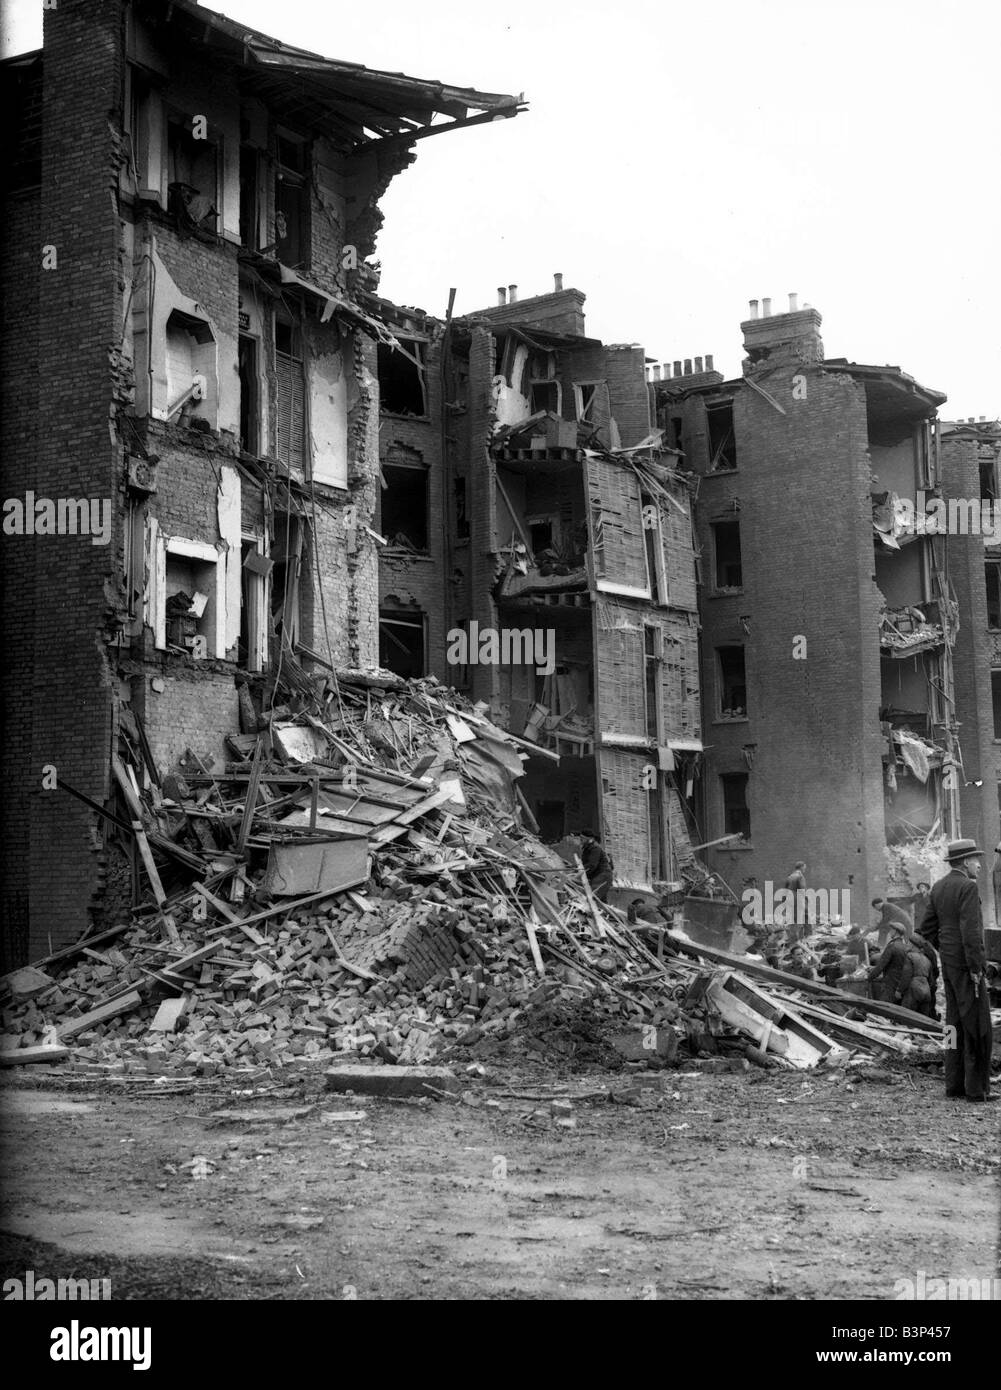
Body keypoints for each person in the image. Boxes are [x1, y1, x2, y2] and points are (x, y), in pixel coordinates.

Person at [919, 839, 994, 1103]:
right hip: (967, 968)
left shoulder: (938, 888)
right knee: (978, 1026)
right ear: (964, 862)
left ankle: (953, 1085)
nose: (979, 866)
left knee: (952, 1025)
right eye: (976, 860)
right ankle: (976, 1090)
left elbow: (925, 930)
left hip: (950, 967)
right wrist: (975, 966)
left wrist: (947, 952)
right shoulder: (967, 888)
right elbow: (971, 933)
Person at [867, 920, 910, 1003]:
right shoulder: (905, 947)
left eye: (891, 930)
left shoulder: (892, 946)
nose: (890, 932)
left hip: (890, 984)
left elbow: (881, 966)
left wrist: (869, 977)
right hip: (900, 985)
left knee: (884, 1008)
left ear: (896, 931)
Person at [896, 937, 933, 1015]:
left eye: (909, 944)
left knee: (905, 1016)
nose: (907, 946)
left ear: (912, 946)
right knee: (922, 1019)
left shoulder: (910, 956)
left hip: (914, 989)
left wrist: (899, 991)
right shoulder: (927, 960)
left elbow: (906, 976)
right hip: (927, 991)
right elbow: (931, 981)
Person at [579, 829, 613, 903]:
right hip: (599, 875)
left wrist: (580, 873)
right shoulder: (587, 847)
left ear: (589, 839)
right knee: (601, 901)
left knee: (593, 897)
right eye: (580, 838)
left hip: (602, 875)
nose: (580, 840)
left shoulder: (595, 848)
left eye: (582, 838)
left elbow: (592, 865)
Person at [784, 861, 809, 939]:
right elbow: (802, 889)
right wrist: (806, 899)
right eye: (804, 867)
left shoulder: (790, 876)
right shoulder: (800, 876)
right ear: (801, 867)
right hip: (798, 900)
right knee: (801, 919)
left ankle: (792, 937)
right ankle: (801, 938)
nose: (805, 869)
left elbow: (785, 890)